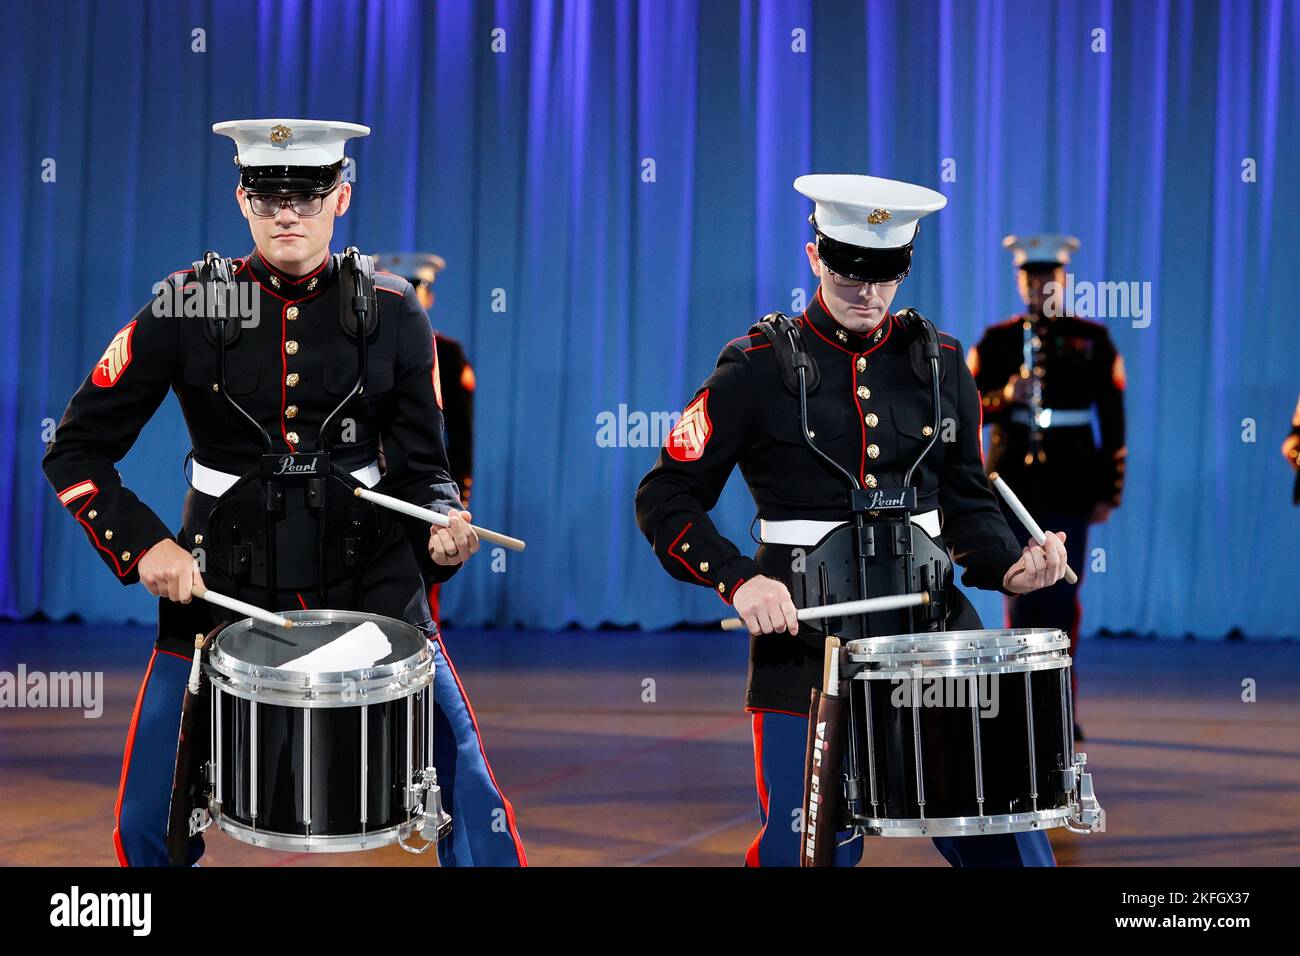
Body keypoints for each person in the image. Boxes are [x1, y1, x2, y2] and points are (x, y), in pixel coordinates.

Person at [42, 119, 525, 867]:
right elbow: (76, 451)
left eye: (308, 194)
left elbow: (424, 468)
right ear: (242, 199)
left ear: (343, 197)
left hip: (370, 582)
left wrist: (441, 521)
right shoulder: (186, 304)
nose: (287, 213)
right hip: (220, 584)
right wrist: (145, 546)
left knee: (473, 800)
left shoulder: (396, 312)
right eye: (269, 197)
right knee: (147, 820)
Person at [635, 174, 1069, 867]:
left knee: (1007, 840)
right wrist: (740, 581)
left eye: (885, 274)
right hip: (807, 649)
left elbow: (965, 499)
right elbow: (665, 497)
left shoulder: (943, 363)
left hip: (934, 637)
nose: (867, 294)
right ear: (814, 256)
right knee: (804, 853)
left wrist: (1009, 564)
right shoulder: (753, 368)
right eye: (847, 273)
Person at [967, 235, 1126, 740]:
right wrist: (1005, 395)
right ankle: (1021, 704)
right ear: (1020, 281)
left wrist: (1109, 490)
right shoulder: (995, 341)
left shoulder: (1092, 340)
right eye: (1031, 278)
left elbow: (1114, 419)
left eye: (1049, 278)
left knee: (1060, 595)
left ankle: (1060, 705)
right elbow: (966, 408)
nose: (1041, 286)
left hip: (1070, 486)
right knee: (1020, 592)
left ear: (1062, 281)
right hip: (1012, 484)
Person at [374, 252, 476, 625]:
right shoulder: (361, 347)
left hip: (421, 484)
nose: (418, 297)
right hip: (369, 490)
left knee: (422, 590)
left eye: (421, 289)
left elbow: (460, 433)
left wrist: (454, 495)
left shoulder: (446, 354)